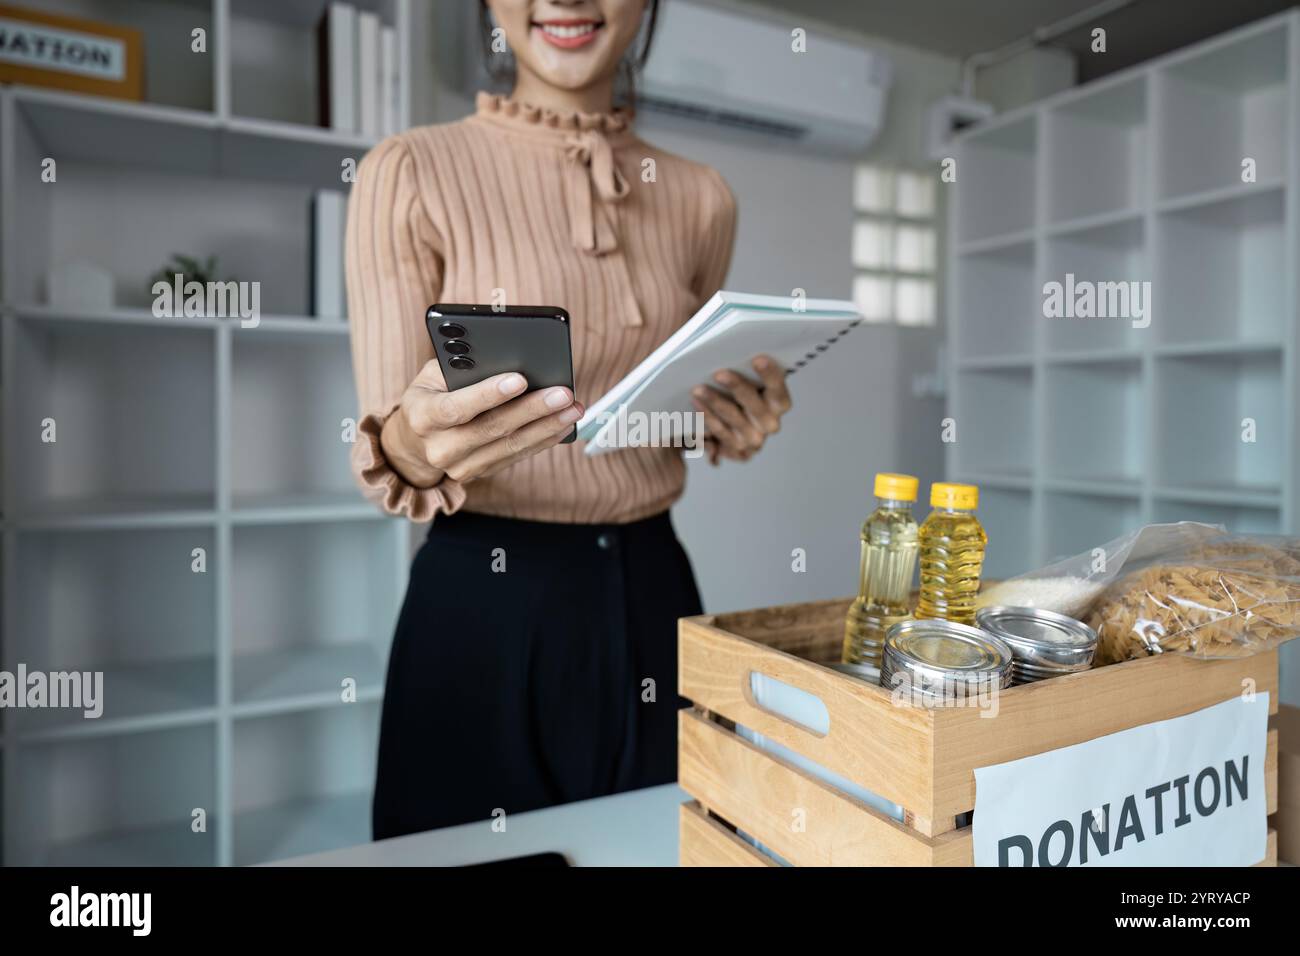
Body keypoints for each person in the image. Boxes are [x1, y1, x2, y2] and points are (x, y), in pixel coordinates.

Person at [346, 0, 794, 839]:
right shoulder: (407, 171)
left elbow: (668, 402)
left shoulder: (703, 198)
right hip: (482, 598)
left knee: (668, 848)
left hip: (656, 587)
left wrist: (725, 420)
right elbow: (389, 443)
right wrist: (412, 440)